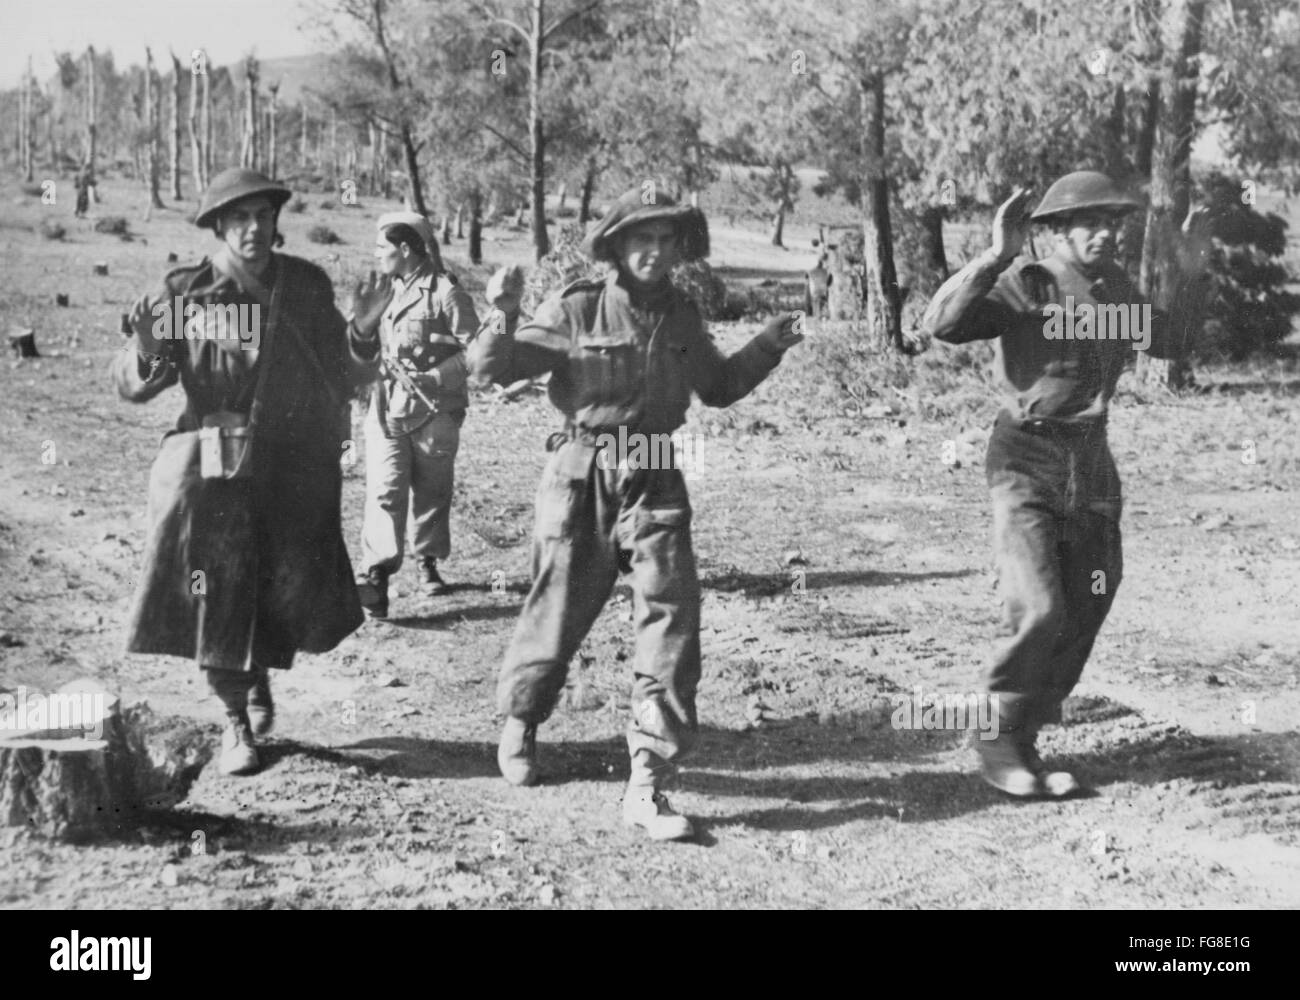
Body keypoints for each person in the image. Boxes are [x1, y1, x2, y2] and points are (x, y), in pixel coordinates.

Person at [468, 187, 803, 841]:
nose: (654, 251)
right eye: (640, 238)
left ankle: (649, 779)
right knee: (557, 609)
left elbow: (718, 386)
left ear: (679, 249)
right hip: (581, 474)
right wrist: (501, 314)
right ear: (618, 245)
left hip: (656, 477)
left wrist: (767, 344)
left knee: (672, 622)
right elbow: (494, 370)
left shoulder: (681, 315)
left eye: (666, 239)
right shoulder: (577, 307)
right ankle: (522, 718)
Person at [918, 170, 1211, 798]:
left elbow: (1175, 340)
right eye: (1091, 222)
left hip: (1092, 464)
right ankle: (997, 736)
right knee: (1040, 604)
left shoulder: (1117, 292)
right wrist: (995, 254)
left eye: (1115, 223)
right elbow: (941, 325)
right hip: (1026, 459)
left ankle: (1022, 734)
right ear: (1054, 229)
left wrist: (1190, 273)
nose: (1106, 233)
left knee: (1088, 600)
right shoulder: (1029, 284)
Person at [114, 167, 391, 776]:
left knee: (283, 580)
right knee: (219, 582)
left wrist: (364, 330)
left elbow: (343, 374)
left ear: (275, 222)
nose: (252, 230)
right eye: (238, 219)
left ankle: (257, 670)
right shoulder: (184, 293)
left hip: (292, 463)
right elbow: (138, 385)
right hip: (216, 462)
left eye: (262, 217)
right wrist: (144, 347)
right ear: (218, 225)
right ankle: (233, 716)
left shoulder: (306, 288)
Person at [355, 212, 480, 619]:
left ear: (405, 249)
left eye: (382, 248)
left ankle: (427, 561)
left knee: (432, 489)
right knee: (386, 489)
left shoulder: (446, 292)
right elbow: (359, 344)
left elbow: (475, 352)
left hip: (434, 410)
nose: (376, 255)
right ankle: (377, 577)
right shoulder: (381, 291)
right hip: (385, 406)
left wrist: (434, 377)